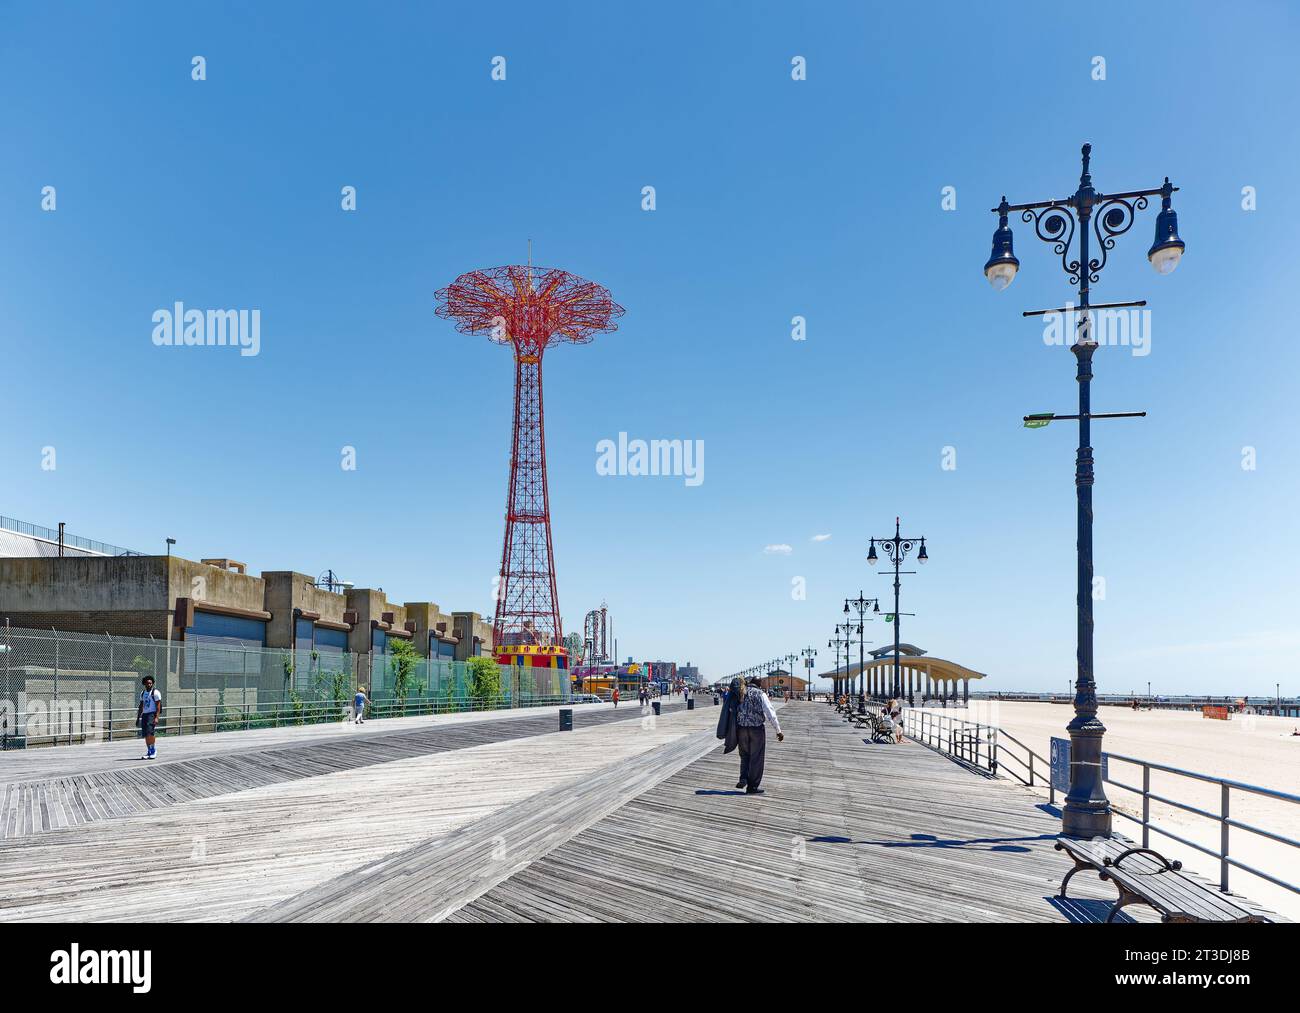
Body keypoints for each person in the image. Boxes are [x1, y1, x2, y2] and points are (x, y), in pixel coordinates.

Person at [735, 674, 784, 795]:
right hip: (756, 729)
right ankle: (752, 786)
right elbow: (770, 713)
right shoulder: (760, 694)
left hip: (741, 729)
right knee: (756, 758)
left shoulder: (742, 692)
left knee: (744, 755)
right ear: (759, 684)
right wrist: (778, 730)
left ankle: (743, 778)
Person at [136, 675, 162, 759]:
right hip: (145, 715)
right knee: (146, 734)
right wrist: (138, 718)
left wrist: (156, 717)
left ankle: (153, 750)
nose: (149, 685)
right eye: (147, 683)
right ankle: (149, 751)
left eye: (151, 683)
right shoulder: (143, 693)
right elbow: (141, 706)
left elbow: (158, 706)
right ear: (145, 684)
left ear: (152, 683)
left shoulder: (156, 692)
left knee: (150, 733)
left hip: (152, 714)